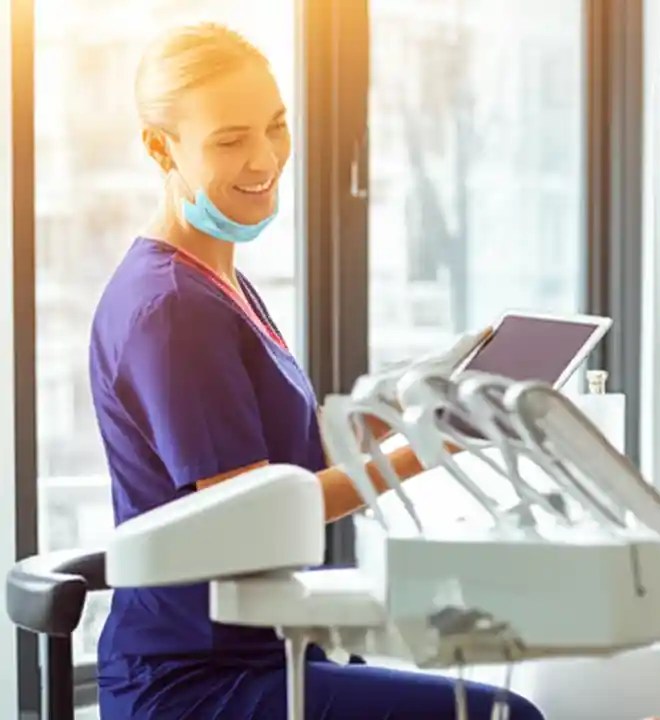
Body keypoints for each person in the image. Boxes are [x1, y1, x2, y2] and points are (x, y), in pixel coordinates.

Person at [88, 23, 543, 720]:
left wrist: (408, 397)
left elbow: (284, 456)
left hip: (267, 644)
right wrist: (435, 444)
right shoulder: (172, 310)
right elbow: (259, 517)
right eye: (230, 140)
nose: (265, 158)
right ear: (160, 147)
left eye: (275, 127)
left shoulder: (217, 281)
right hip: (200, 681)